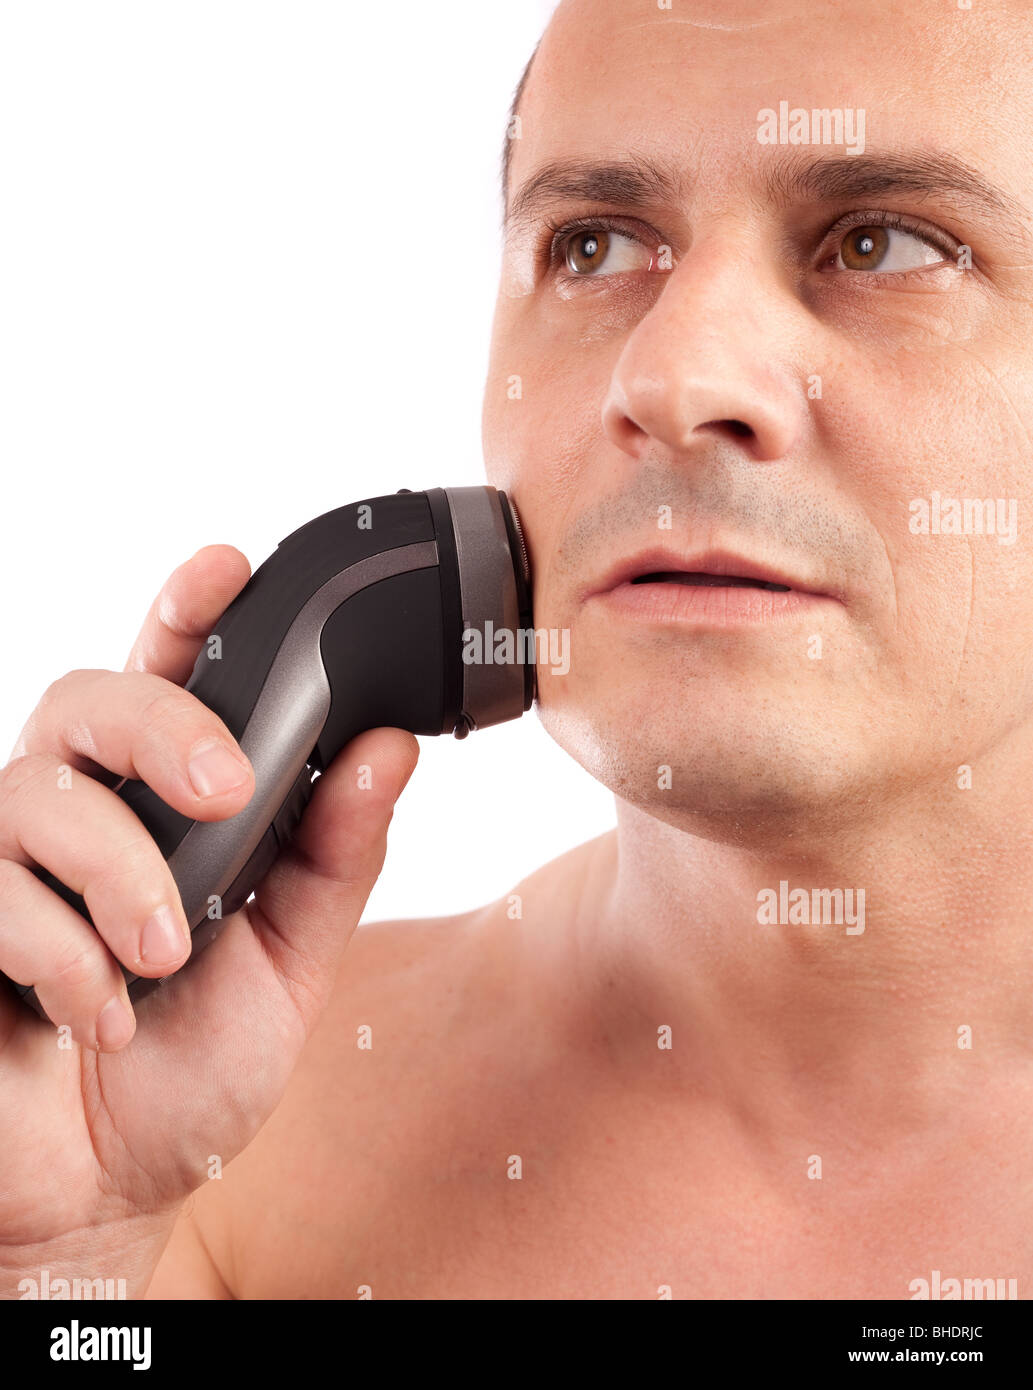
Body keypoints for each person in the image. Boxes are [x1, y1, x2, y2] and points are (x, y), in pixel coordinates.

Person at [4, 0, 1033, 1300]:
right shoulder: (220, 1153)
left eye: (879, 243)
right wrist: (58, 1271)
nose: (672, 375)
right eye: (594, 243)